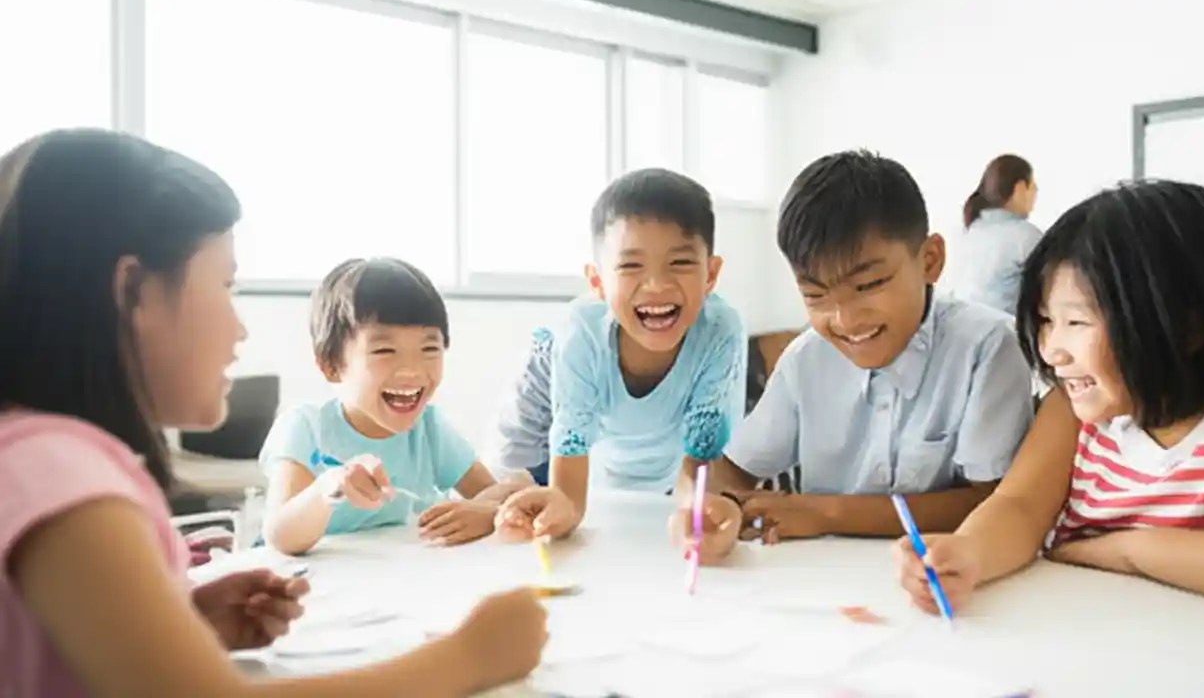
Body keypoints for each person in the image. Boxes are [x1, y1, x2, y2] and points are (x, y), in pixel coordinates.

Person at [0, 129, 545, 697]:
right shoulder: (60, 477)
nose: (240, 330)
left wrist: (187, 624)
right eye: (225, 285)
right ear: (133, 292)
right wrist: (466, 659)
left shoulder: (47, 461)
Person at [895, 181, 1204, 610]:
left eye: (1076, 323)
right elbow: (1019, 506)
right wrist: (968, 554)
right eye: (1045, 320)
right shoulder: (1074, 413)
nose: (1052, 349)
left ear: (1187, 327)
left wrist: (1129, 552)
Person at [669, 150, 1034, 562]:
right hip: (827, 583)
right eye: (815, 295)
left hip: (940, 574)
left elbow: (990, 502)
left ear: (930, 260)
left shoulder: (988, 347)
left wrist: (827, 513)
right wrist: (719, 506)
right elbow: (733, 468)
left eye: (868, 285)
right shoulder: (807, 358)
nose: (845, 319)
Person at [492, 168, 747, 541]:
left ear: (711, 274)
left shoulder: (721, 331)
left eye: (680, 263)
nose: (657, 285)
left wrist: (698, 513)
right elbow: (569, 468)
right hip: (541, 419)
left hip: (650, 468)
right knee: (504, 504)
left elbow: (700, 459)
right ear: (597, 281)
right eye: (630, 265)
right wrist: (562, 508)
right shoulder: (580, 330)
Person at [260, 258, 525, 555]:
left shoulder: (429, 428)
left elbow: (494, 495)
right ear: (332, 365)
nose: (411, 371)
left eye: (429, 349)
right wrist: (329, 488)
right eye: (384, 350)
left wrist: (491, 506)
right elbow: (280, 536)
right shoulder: (307, 428)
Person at [952, 154, 1043, 315]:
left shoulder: (969, 233)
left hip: (959, 333)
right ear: (1020, 187)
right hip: (1005, 335)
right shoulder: (1025, 237)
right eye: (1033, 186)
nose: (1036, 193)